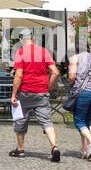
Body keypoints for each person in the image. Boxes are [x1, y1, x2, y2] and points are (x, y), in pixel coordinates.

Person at [9, 33, 61, 162]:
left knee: (21, 119)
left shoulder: (20, 52)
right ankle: (54, 147)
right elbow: (55, 72)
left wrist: (13, 95)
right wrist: (47, 86)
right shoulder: (44, 52)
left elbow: (18, 76)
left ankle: (20, 150)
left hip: (26, 92)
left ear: (21, 40)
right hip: (42, 93)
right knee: (46, 121)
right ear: (34, 39)